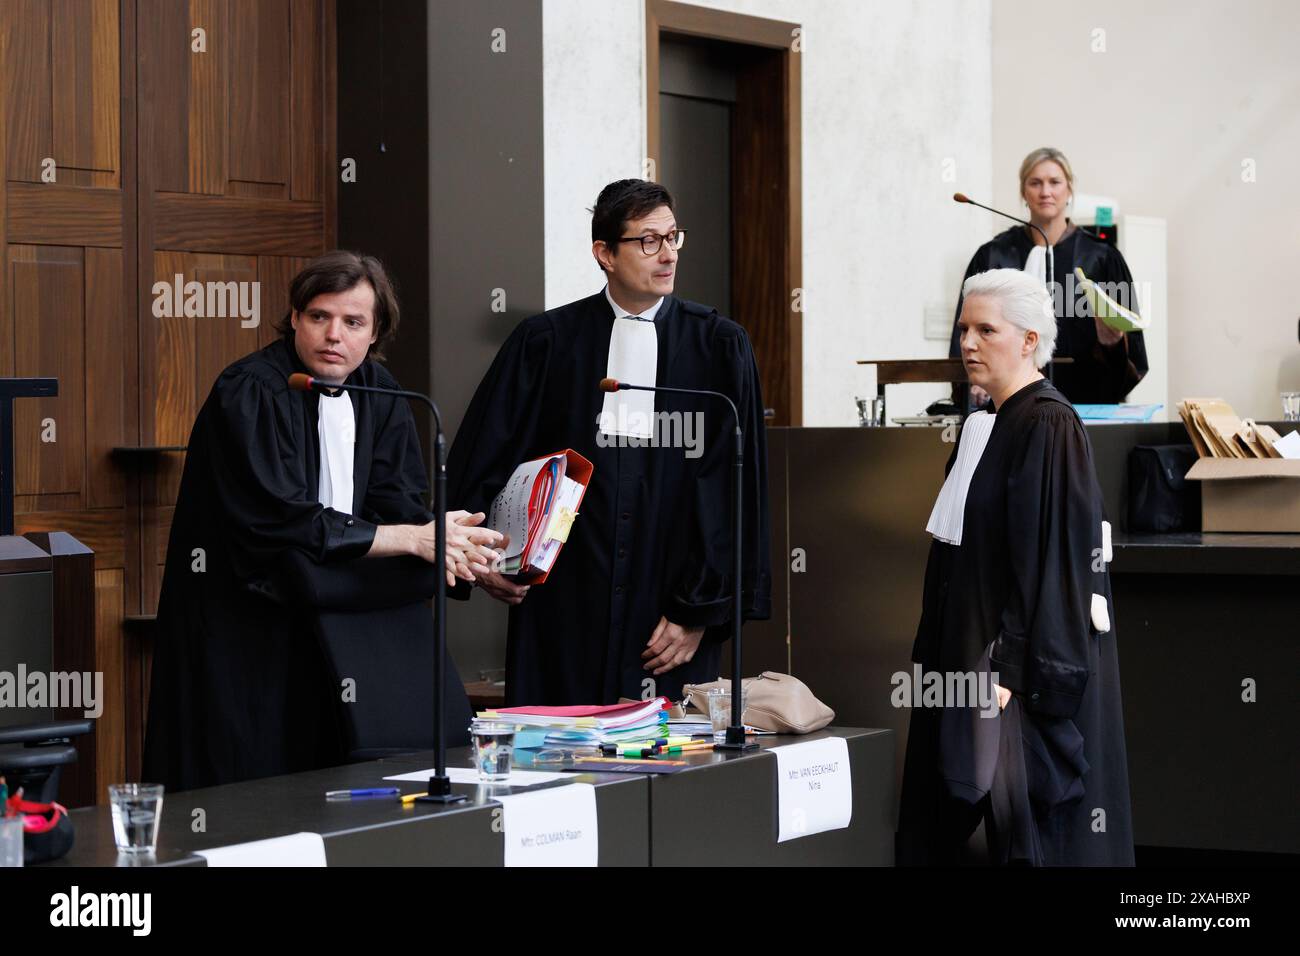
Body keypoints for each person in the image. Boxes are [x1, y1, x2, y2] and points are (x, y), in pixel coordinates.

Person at [143, 251, 503, 791]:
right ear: (294, 318)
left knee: (331, 768)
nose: (334, 335)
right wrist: (410, 536)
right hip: (245, 623)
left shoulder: (381, 392)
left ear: (375, 329)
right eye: (319, 317)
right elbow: (280, 518)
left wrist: (456, 544)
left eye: (353, 322)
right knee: (252, 775)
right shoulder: (250, 389)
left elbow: (399, 504)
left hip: (328, 617)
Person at [447, 179, 772, 706]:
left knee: (668, 770)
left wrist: (700, 615)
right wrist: (487, 564)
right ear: (604, 253)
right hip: (564, 604)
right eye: (648, 241)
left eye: (673, 238)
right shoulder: (546, 342)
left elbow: (737, 491)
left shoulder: (718, 345)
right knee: (555, 761)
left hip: (667, 612)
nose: (667, 254)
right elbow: (485, 458)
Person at [899, 268, 1134, 866]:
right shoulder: (993, 421)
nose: (968, 344)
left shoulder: (1047, 423)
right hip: (973, 665)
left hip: (1011, 676)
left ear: (1029, 340)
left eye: (986, 330)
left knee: (1026, 832)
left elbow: (1053, 565)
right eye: (963, 330)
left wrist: (1008, 674)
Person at [950, 147, 1148, 407]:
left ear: (1069, 190)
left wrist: (1112, 344)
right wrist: (974, 381)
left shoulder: (1102, 259)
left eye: (1054, 182)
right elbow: (965, 334)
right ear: (1023, 191)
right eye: (1035, 183)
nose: (1045, 192)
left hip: (1083, 405)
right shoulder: (994, 256)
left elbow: (1132, 355)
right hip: (1007, 408)